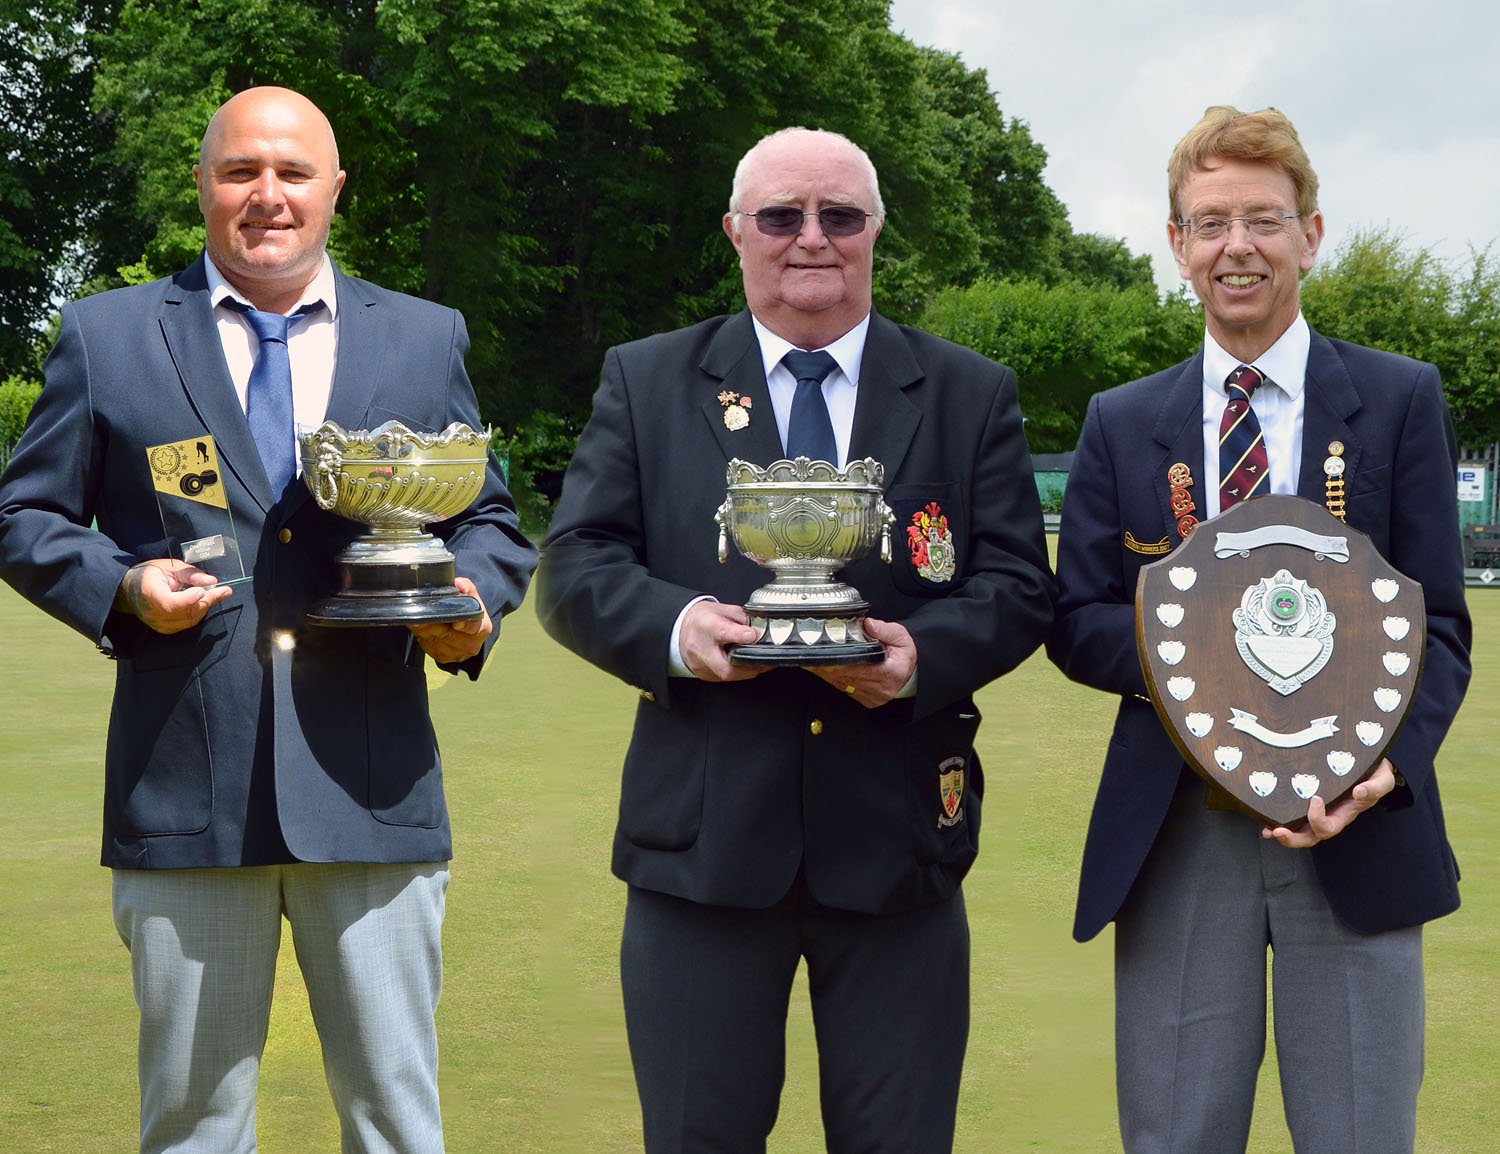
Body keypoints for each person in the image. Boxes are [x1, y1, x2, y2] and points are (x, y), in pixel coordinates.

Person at [0, 86, 537, 1153]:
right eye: (242, 170)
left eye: (293, 172)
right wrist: (119, 584)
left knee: (395, 1123)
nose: (268, 195)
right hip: (185, 788)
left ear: (335, 187)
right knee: (194, 1126)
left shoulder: (426, 338)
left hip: (375, 790)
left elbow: (485, 514)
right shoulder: (107, 336)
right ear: (203, 184)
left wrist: (469, 602)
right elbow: (25, 512)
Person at [536, 126, 1054, 1153]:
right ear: (737, 232)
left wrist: (918, 659)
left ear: (874, 232)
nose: (810, 237)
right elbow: (577, 565)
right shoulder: (647, 380)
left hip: (898, 841)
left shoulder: (965, 390)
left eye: (840, 215)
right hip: (703, 848)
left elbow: (1014, 586)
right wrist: (680, 628)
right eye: (781, 216)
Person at [1047, 105, 1471, 1154]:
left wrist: (1384, 768)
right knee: (1176, 1132)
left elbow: (1442, 625)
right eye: (1210, 221)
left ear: (1309, 236)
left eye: (1264, 220)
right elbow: (1078, 619)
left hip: (1358, 820)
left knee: (1363, 1133)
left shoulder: (1399, 398)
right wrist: (1205, 669)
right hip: (1180, 824)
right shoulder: (1119, 419)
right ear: (1178, 245)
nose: (1237, 245)